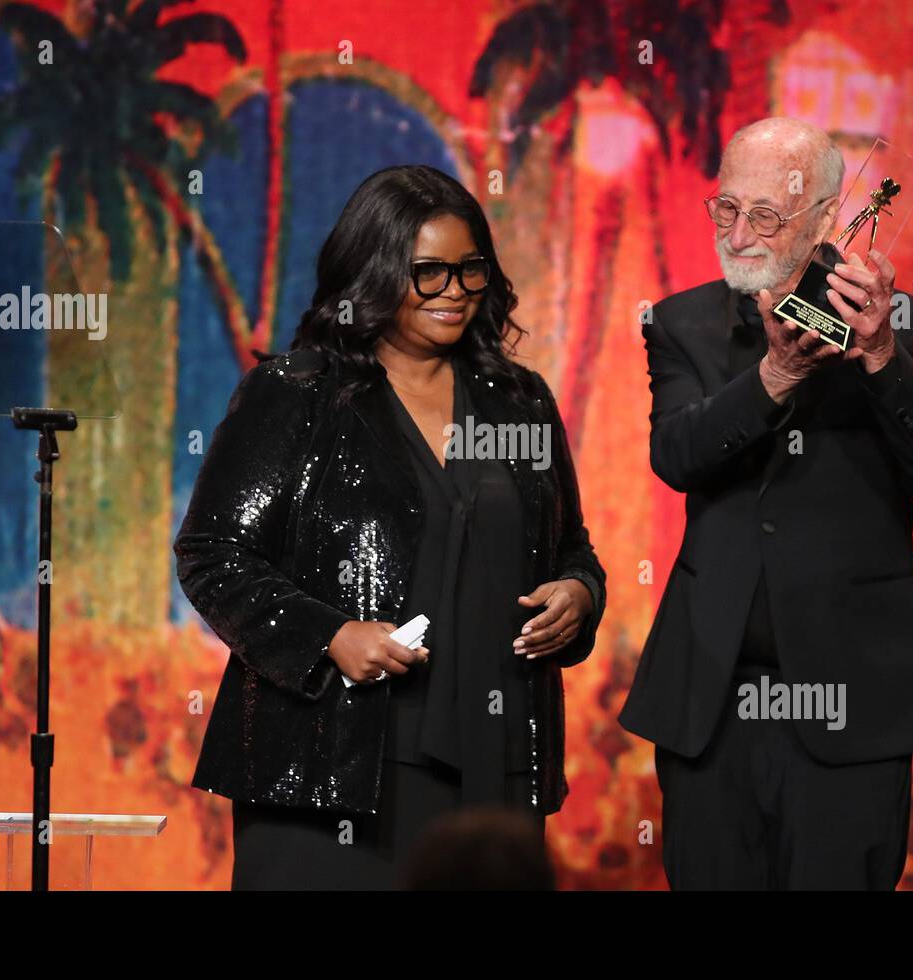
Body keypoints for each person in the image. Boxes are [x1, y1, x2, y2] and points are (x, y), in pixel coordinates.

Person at [174, 164, 606, 889]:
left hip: (492, 761)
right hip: (331, 765)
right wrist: (330, 637)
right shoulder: (298, 393)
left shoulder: (519, 401)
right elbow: (214, 553)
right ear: (371, 272)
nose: (456, 293)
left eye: (471, 271)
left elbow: (570, 547)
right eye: (428, 273)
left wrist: (579, 593)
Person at [619, 117, 913, 889]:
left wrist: (881, 356)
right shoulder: (681, 323)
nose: (740, 233)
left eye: (766, 216)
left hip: (855, 703)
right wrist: (775, 376)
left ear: (824, 221)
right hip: (712, 700)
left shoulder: (907, 329)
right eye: (726, 210)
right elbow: (676, 455)